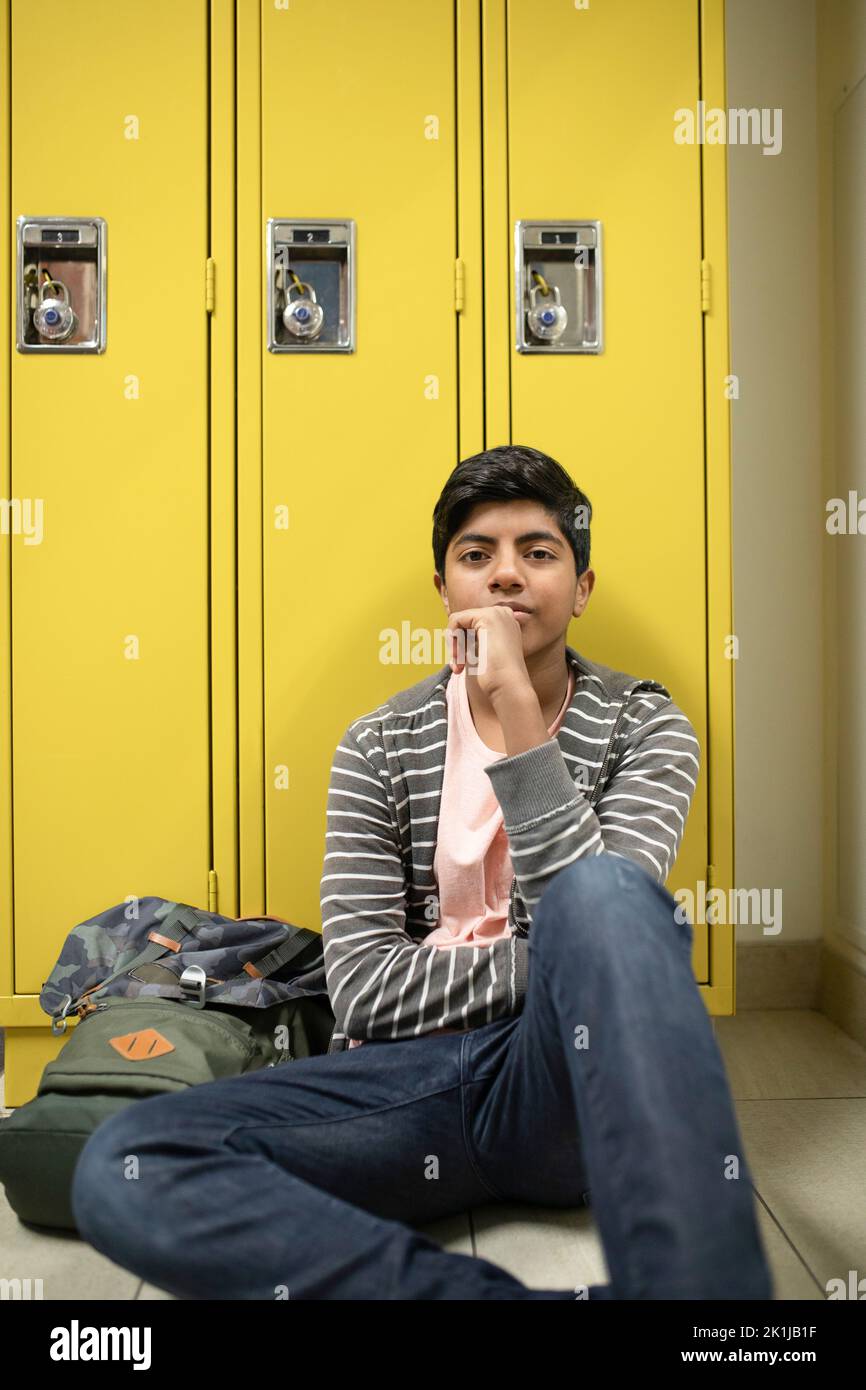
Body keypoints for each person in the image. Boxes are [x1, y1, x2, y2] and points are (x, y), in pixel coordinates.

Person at [70, 444, 774, 1300]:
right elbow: (363, 989)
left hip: (558, 1081)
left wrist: (517, 707)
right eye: (476, 556)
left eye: (538, 553)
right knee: (129, 1160)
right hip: (406, 1082)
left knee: (607, 897)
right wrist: (558, 968)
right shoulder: (378, 743)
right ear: (445, 590)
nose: (506, 577)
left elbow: (605, 943)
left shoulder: (646, 727)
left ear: (582, 588)